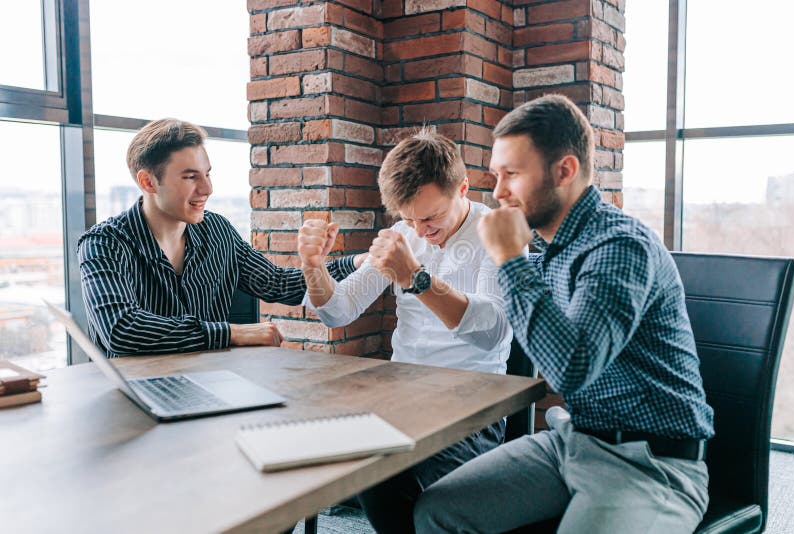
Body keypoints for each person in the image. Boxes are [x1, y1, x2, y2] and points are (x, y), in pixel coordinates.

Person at [413, 95, 714, 534]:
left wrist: (509, 257)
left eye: (511, 175)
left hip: (653, 464)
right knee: (437, 511)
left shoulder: (618, 247)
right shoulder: (552, 249)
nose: (497, 193)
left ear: (565, 171)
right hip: (574, 441)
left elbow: (572, 369)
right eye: (496, 176)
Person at [297, 129, 513, 534]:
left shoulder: (497, 231)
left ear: (462, 187)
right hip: (402, 397)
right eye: (408, 218)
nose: (420, 230)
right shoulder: (407, 235)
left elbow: (493, 332)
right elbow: (339, 310)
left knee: (415, 493)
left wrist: (416, 278)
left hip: (471, 409)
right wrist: (314, 268)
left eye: (430, 217)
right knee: (354, 458)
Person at [78, 118, 363, 357]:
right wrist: (231, 333)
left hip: (211, 385)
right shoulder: (103, 244)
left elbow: (277, 283)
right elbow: (121, 330)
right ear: (148, 182)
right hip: (137, 396)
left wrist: (357, 263)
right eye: (191, 177)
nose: (207, 189)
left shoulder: (217, 230)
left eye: (207, 174)